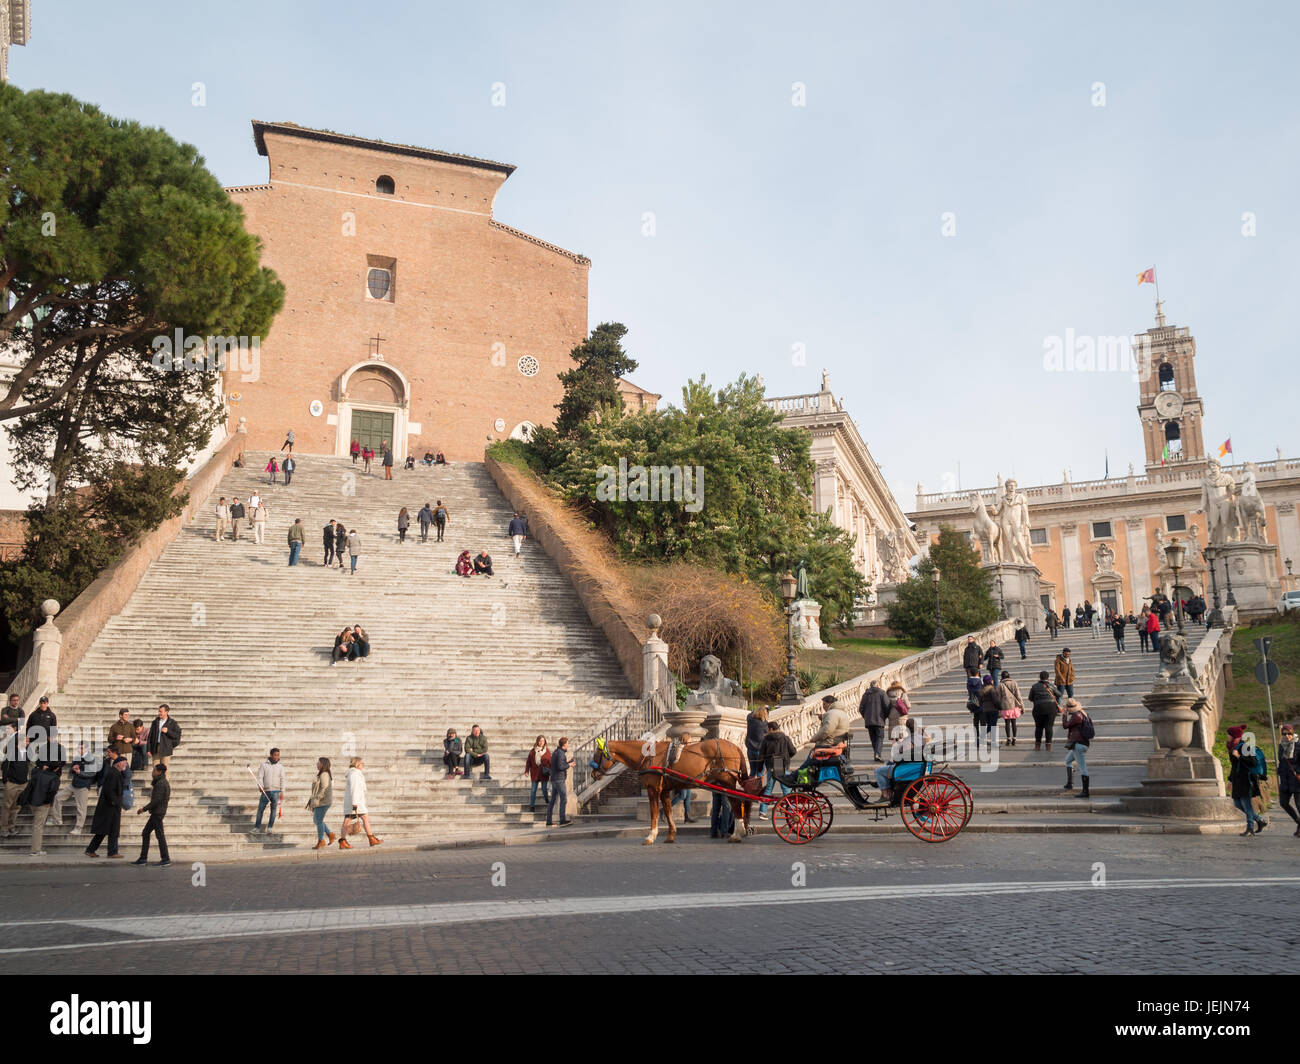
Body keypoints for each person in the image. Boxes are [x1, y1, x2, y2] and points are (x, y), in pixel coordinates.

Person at [1227, 726, 1267, 836]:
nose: (1227, 736)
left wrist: (1239, 756)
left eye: (1229, 734)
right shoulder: (1232, 747)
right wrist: (1230, 780)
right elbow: (1234, 766)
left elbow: (1253, 762)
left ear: (1234, 736)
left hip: (1247, 779)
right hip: (1238, 779)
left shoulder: (1245, 747)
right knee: (1237, 803)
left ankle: (1250, 828)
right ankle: (1259, 820)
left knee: (1246, 804)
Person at [51, 740, 96, 834]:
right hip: (74, 784)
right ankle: (57, 820)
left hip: (83, 786)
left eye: (82, 748)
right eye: (79, 747)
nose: (80, 749)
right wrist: (73, 769)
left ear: (87, 749)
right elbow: (71, 771)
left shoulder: (91, 758)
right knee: (58, 797)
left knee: (81, 808)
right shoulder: (77, 757)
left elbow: (92, 773)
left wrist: (80, 772)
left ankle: (79, 828)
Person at [85, 756, 126, 858]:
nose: (125, 764)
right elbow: (109, 790)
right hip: (109, 807)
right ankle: (111, 852)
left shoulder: (116, 773)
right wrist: (114, 802)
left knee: (107, 830)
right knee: (109, 830)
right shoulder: (113, 773)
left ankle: (92, 850)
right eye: (123, 762)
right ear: (117, 764)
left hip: (111, 806)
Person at [25, 749, 62, 857]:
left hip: (33, 802)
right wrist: (47, 803)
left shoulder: (38, 773)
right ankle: (36, 850)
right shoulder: (55, 778)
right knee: (38, 826)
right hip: (42, 804)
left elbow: (30, 786)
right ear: (56, 768)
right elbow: (52, 793)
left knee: (38, 825)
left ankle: (36, 849)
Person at [132, 763, 171, 866]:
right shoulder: (161, 782)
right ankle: (144, 858)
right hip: (158, 812)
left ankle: (164, 858)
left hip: (157, 813)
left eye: (154, 770)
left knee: (158, 836)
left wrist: (143, 809)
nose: (152, 773)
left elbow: (156, 800)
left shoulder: (161, 784)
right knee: (147, 833)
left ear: (159, 772)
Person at [338, 757, 382, 847]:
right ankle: (371, 839)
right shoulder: (354, 774)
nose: (363, 765)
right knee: (352, 820)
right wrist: (355, 803)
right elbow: (354, 789)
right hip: (355, 802)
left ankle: (370, 838)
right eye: (362, 763)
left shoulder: (355, 773)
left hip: (356, 802)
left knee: (351, 820)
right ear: (357, 764)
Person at [757, 721, 796, 819]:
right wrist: (787, 758)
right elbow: (793, 751)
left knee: (768, 789)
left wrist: (759, 768)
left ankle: (763, 811)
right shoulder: (785, 738)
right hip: (782, 764)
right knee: (786, 789)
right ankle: (791, 810)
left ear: (770, 729)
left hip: (772, 765)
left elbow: (761, 756)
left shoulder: (766, 739)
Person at [1061, 698, 1093, 798]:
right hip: (1081, 743)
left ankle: (1085, 791)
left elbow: (1065, 725)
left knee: (1083, 768)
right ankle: (1069, 783)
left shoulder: (1076, 716)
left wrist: (1064, 714)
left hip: (1078, 744)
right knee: (1068, 760)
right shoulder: (1083, 713)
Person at [0, 723, 26, 837]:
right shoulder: (11, 752)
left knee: (16, 807)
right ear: (20, 742)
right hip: (12, 784)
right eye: (26, 740)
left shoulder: (27, 753)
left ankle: (12, 826)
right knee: (7, 806)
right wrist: (6, 780)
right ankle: (4, 828)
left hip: (22, 784)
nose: (28, 742)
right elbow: (5, 766)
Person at [254, 748, 286, 833]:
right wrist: (260, 786)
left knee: (273, 810)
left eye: (278, 755)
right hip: (265, 791)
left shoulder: (280, 767)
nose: (277, 757)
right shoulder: (264, 765)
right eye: (275, 755)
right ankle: (257, 827)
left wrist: (282, 791)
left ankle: (270, 827)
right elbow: (260, 777)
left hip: (276, 791)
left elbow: (282, 779)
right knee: (260, 810)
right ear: (271, 755)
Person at [1275, 724, 1299, 837]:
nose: (1287, 736)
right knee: (1283, 803)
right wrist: (1279, 770)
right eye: (1284, 734)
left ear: (1293, 733)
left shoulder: (1298, 745)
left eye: (1289, 733)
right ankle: (1299, 822)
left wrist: (1297, 771)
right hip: (1285, 780)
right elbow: (1281, 760)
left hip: (1297, 780)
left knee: (1299, 805)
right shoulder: (1281, 746)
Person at [1028, 670, 1060, 752]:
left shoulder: (1034, 686)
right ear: (1048, 677)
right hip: (1051, 708)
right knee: (1049, 727)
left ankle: (1037, 746)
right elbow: (1059, 694)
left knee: (1038, 727)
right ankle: (1048, 746)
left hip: (1038, 708)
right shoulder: (1051, 685)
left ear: (1040, 677)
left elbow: (1030, 698)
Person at [307, 757, 335, 849]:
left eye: (318, 763)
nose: (317, 764)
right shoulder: (322, 774)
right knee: (317, 820)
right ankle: (330, 834)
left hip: (323, 802)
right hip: (320, 801)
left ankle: (321, 840)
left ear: (322, 764)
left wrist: (316, 799)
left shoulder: (324, 775)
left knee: (318, 821)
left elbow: (324, 789)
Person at [546, 737, 574, 827]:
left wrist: (567, 762)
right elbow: (560, 767)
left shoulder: (555, 752)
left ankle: (549, 820)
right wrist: (569, 764)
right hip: (559, 779)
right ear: (564, 744)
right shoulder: (561, 753)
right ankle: (562, 819)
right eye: (567, 743)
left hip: (554, 779)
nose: (568, 745)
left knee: (553, 800)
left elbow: (559, 764)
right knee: (564, 799)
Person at [858, 680, 888, 762]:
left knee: (873, 738)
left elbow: (861, 708)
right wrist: (884, 716)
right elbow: (887, 706)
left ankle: (876, 753)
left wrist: (866, 717)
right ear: (878, 685)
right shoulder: (882, 693)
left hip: (869, 721)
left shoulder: (866, 694)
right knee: (880, 737)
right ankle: (877, 754)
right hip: (879, 720)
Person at [148, 704, 181, 770]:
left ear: (166, 712)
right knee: (155, 769)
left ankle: (165, 780)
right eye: (159, 711)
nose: (159, 713)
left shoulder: (172, 722)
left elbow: (177, 735)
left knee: (165, 769)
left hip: (166, 749)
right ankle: (156, 780)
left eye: (161, 711)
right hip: (155, 747)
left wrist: (168, 731)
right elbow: (150, 736)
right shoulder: (155, 722)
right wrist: (148, 749)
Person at [997, 669, 1024, 746]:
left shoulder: (1000, 685)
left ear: (1002, 677)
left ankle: (1008, 738)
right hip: (1014, 706)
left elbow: (999, 697)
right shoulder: (1014, 683)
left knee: (1007, 723)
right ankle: (1014, 738)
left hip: (1005, 706)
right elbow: (1018, 695)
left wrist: (998, 708)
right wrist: (1022, 706)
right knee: (1014, 723)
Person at [744, 706, 769, 789]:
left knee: (752, 771)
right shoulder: (764, 724)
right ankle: (758, 789)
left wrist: (757, 709)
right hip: (760, 751)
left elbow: (749, 715)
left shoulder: (750, 720)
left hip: (750, 749)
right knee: (760, 772)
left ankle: (750, 788)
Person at [525, 736, 551, 811]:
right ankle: (532, 806)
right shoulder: (532, 751)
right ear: (537, 741)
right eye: (540, 741)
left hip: (544, 773)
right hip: (535, 773)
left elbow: (550, 762)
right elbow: (528, 762)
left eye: (542, 741)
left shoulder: (547, 751)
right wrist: (527, 771)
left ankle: (547, 800)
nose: (541, 742)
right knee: (533, 790)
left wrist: (550, 770)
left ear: (545, 742)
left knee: (544, 789)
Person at [977, 673, 1000, 750]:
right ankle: (993, 743)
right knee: (993, 727)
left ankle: (980, 737)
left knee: (990, 726)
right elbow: (996, 701)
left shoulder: (981, 690)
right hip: (993, 710)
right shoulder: (992, 689)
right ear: (990, 681)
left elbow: (980, 702)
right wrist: (999, 707)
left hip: (985, 710)